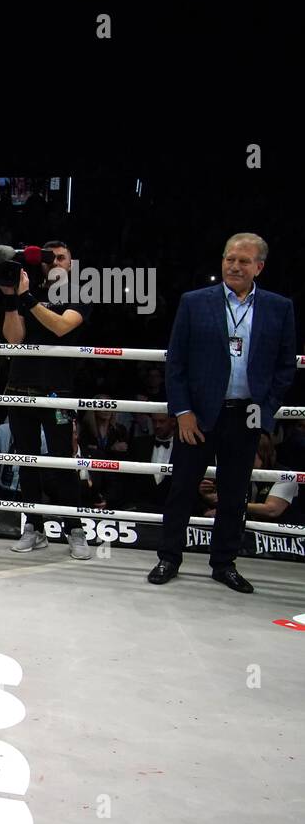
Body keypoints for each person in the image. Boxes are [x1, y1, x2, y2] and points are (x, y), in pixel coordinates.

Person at [148, 233, 297, 593]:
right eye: (230, 258)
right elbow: (177, 362)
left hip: (246, 413)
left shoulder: (280, 307)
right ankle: (169, 557)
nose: (234, 266)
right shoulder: (195, 302)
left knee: (234, 493)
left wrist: (265, 411)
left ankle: (224, 563)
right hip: (198, 414)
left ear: (258, 267)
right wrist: (182, 411)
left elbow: (284, 366)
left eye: (244, 261)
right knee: (182, 487)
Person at [0, 240, 93, 559]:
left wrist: (26, 297)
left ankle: (75, 528)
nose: (55, 262)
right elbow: (14, 338)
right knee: (26, 459)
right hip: (20, 386)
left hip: (57, 390)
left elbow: (62, 327)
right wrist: (13, 301)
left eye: (61, 258)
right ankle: (33, 527)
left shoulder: (80, 292)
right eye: (49, 258)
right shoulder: (28, 291)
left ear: (70, 263)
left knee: (61, 460)